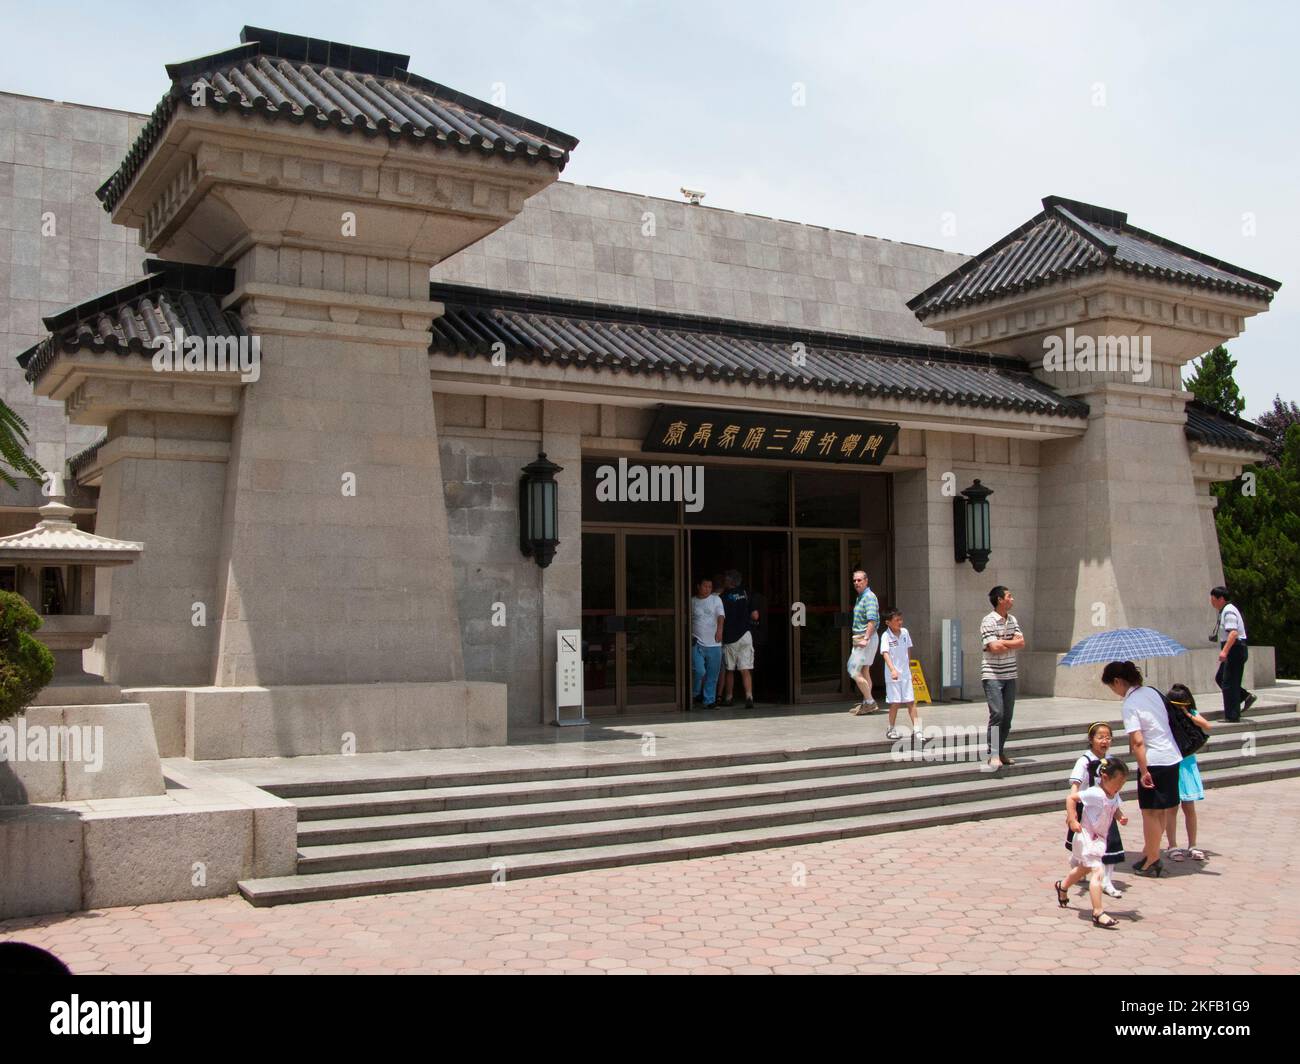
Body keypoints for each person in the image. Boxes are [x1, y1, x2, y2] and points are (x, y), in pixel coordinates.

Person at [1101, 660, 1181, 877]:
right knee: (1161, 809)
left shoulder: (1130, 704)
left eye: (1111, 686)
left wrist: (1144, 770)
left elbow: (1137, 741)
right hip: (1172, 755)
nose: (1114, 691)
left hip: (1154, 760)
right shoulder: (1152, 692)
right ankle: (1151, 851)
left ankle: (1152, 859)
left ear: (1118, 681)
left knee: (1149, 812)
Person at [1054, 756, 1129, 930]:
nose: (1119, 787)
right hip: (1086, 836)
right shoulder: (1095, 793)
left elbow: (1115, 807)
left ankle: (1062, 886)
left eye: (1123, 784)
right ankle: (1098, 912)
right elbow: (1071, 798)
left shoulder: (1113, 794)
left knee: (1085, 868)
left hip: (1099, 839)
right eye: (1118, 782)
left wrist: (1121, 817)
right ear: (1104, 778)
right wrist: (1072, 819)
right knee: (1097, 870)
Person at [1065, 723, 1126, 898]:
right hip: (1087, 809)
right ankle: (1077, 863)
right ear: (1091, 740)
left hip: (1107, 810)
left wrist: (1119, 813)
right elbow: (1075, 787)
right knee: (1084, 843)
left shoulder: (1112, 761)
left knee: (1109, 845)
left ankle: (1106, 881)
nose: (1104, 741)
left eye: (1108, 737)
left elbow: (1115, 790)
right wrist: (1072, 813)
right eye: (1100, 737)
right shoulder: (1084, 761)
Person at [1165, 683, 1213, 862]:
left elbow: (1207, 726)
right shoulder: (1167, 717)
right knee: (1171, 808)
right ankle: (1172, 845)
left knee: (1189, 807)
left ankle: (1193, 844)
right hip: (1172, 763)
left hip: (1188, 764)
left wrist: (1188, 714)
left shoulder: (1191, 713)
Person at [981, 585, 1024, 769]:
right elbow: (994, 648)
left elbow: (1021, 642)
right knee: (997, 713)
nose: (1012, 599)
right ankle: (993, 754)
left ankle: (1000, 750)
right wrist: (1009, 643)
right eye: (1009, 596)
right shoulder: (988, 621)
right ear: (1000, 599)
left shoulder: (1012, 620)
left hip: (1010, 673)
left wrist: (1002, 642)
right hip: (992, 674)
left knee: (1007, 717)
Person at [1210, 587, 1256, 721]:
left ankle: (1232, 715)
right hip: (1233, 648)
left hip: (1235, 649)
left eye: (1213, 598)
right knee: (1221, 678)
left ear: (1221, 599)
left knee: (1229, 683)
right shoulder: (1225, 610)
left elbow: (1233, 633)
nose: (1211, 601)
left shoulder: (1228, 611)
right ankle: (1244, 696)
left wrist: (1225, 651)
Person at [880, 607, 922, 742]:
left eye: (900, 619)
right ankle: (891, 728)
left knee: (911, 701)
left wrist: (908, 664)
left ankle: (917, 730)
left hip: (905, 674)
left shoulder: (905, 632)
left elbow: (908, 648)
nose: (900, 622)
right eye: (896, 620)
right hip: (893, 676)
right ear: (888, 622)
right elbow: (885, 653)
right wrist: (893, 669)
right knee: (895, 702)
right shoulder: (886, 636)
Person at [719, 570, 758, 709]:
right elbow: (755, 616)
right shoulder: (746, 593)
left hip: (730, 637)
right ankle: (749, 696)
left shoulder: (723, 597)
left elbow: (720, 617)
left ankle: (729, 698)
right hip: (746, 635)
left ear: (729, 581)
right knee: (745, 669)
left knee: (730, 670)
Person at [846, 569, 880, 715]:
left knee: (853, 669)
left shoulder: (869, 597)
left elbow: (872, 620)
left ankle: (870, 701)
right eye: (854, 580)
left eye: (859, 580)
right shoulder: (861, 597)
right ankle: (867, 703)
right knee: (864, 670)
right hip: (864, 638)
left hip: (865, 638)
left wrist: (866, 638)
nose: (856, 583)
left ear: (866, 581)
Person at [689, 576, 725, 710]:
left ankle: (709, 700)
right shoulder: (692, 601)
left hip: (714, 643)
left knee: (712, 674)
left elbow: (721, 616)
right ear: (698, 586)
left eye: (710, 587)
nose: (707, 589)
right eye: (705, 586)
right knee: (699, 671)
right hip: (697, 641)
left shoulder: (716, 599)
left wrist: (720, 631)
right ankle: (695, 693)